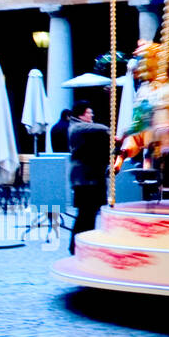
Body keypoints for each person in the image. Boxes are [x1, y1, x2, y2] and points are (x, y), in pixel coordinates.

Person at [67, 102, 112, 254]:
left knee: (88, 213)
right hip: (84, 179)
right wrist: (108, 129)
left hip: (89, 178)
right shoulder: (76, 127)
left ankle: (82, 243)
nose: (91, 115)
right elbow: (95, 128)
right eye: (89, 113)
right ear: (81, 114)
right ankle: (77, 245)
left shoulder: (84, 130)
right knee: (85, 213)